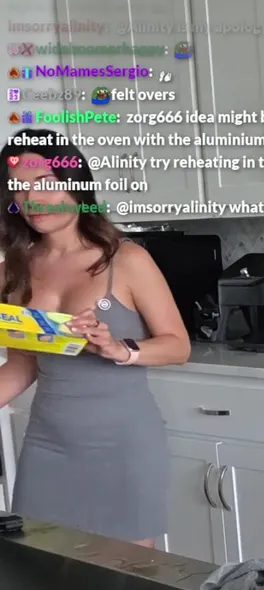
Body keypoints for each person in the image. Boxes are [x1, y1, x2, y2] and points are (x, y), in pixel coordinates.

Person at [0, 128, 190, 546]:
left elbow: (178, 345)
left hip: (121, 447)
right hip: (47, 445)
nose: (32, 198)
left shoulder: (127, 259)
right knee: (41, 569)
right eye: (19, 187)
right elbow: (23, 363)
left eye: (44, 182)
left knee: (125, 577)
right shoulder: (13, 270)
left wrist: (120, 350)